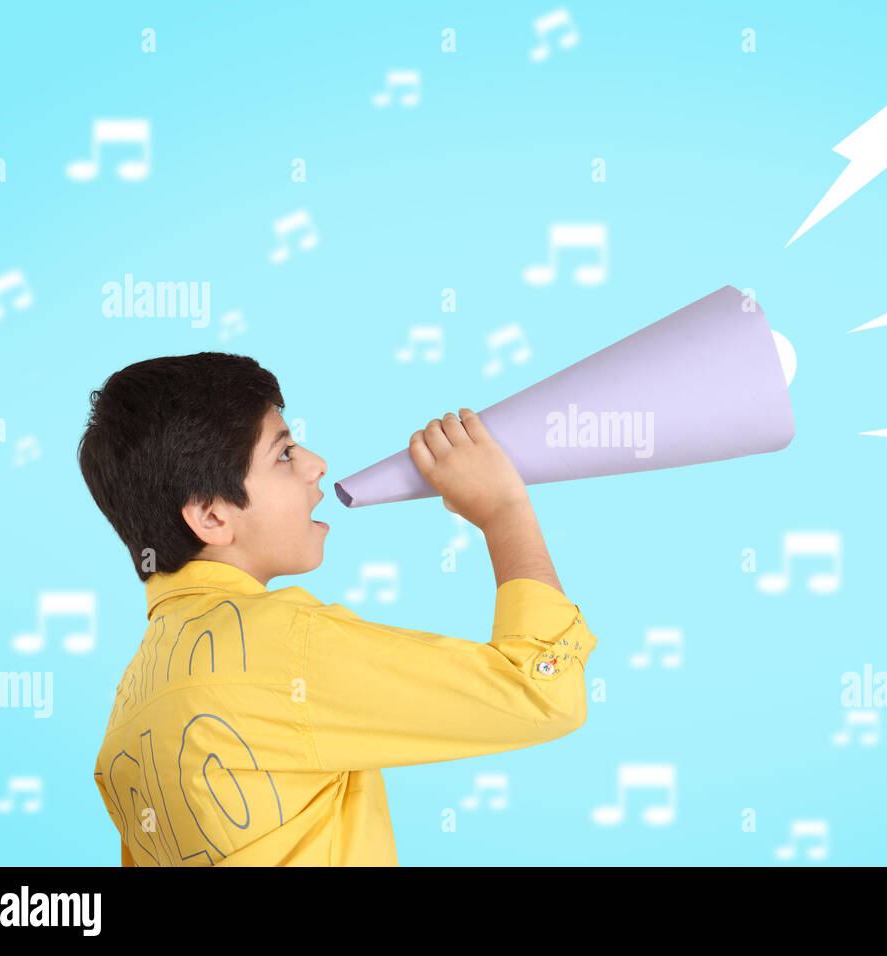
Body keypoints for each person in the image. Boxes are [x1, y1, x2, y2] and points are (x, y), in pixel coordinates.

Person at [77, 352, 596, 865]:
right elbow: (544, 691)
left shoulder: (128, 704)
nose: (315, 464)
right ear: (211, 516)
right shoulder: (285, 648)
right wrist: (505, 511)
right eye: (283, 454)